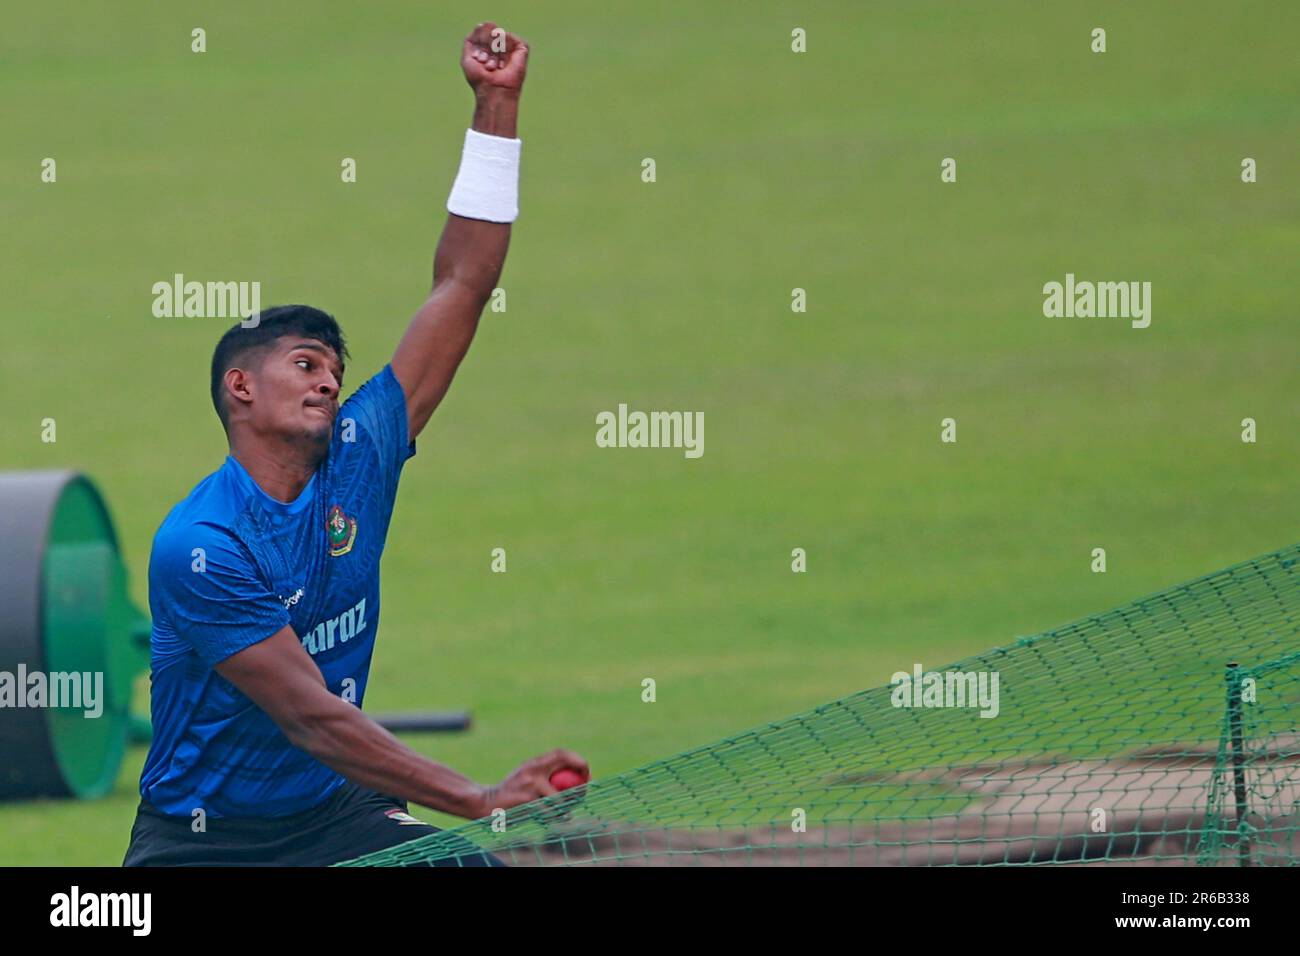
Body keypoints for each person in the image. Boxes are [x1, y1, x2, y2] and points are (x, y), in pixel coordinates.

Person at [124, 22, 587, 866]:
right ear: (240, 388)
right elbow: (310, 716)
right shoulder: (200, 546)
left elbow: (464, 282)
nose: (330, 381)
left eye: (335, 369)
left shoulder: (359, 453)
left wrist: (496, 104)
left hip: (332, 815)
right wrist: (478, 799)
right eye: (304, 364)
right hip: (205, 842)